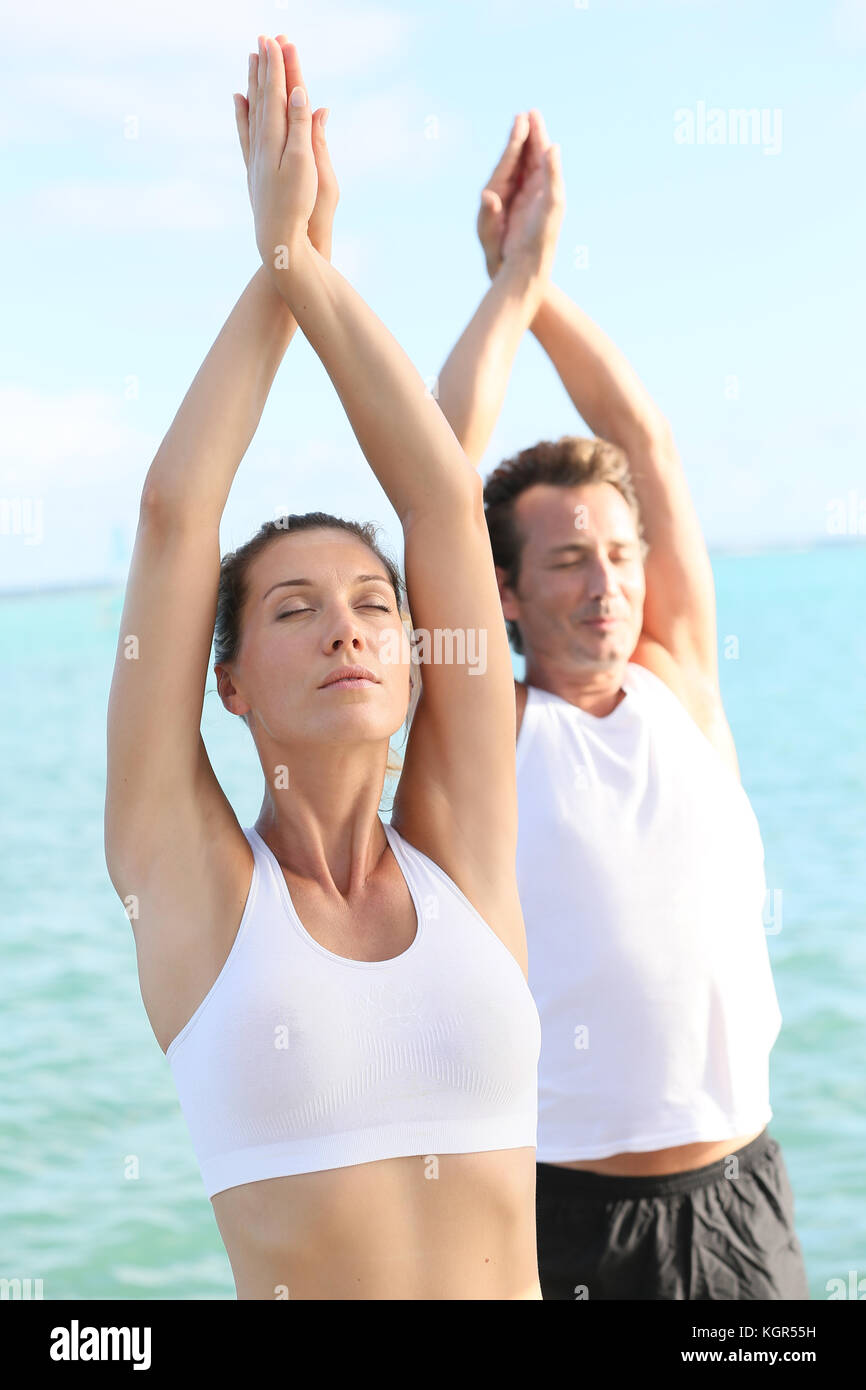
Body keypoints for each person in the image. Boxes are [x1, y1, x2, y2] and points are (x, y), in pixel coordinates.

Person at [104, 36, 543, 1301]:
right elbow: (175, 518)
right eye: (294, 610)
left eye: (369, 604)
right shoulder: (186, 883)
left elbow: (444, 508)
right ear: (227, 679)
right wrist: (280, 264)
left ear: (416, 660)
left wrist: (303, 262)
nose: (349, 627)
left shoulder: (464, 853)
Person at [434, 109, 809, 1300]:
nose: (605, 584)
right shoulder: (492, 734)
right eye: (564, 561)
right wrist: (504, 294)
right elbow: (436, 478)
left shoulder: (680, 680)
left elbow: (643, 441)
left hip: (742, 1201)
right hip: (570, 1219)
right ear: (503, 590)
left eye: (617, 553)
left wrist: (540, 285)